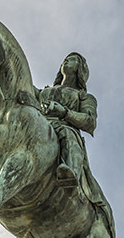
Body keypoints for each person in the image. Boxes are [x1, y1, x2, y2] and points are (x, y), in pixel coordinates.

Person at [39, 52, 96, 187]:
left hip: (64, 126)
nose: (66, 61)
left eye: (72, 60)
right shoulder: (45, 91)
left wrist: (64, 112)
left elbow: (90, 121)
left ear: (80, 69)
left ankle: (70, 173)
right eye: (65, 59)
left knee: (67, 134)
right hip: (39, 123)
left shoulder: (84, 96)